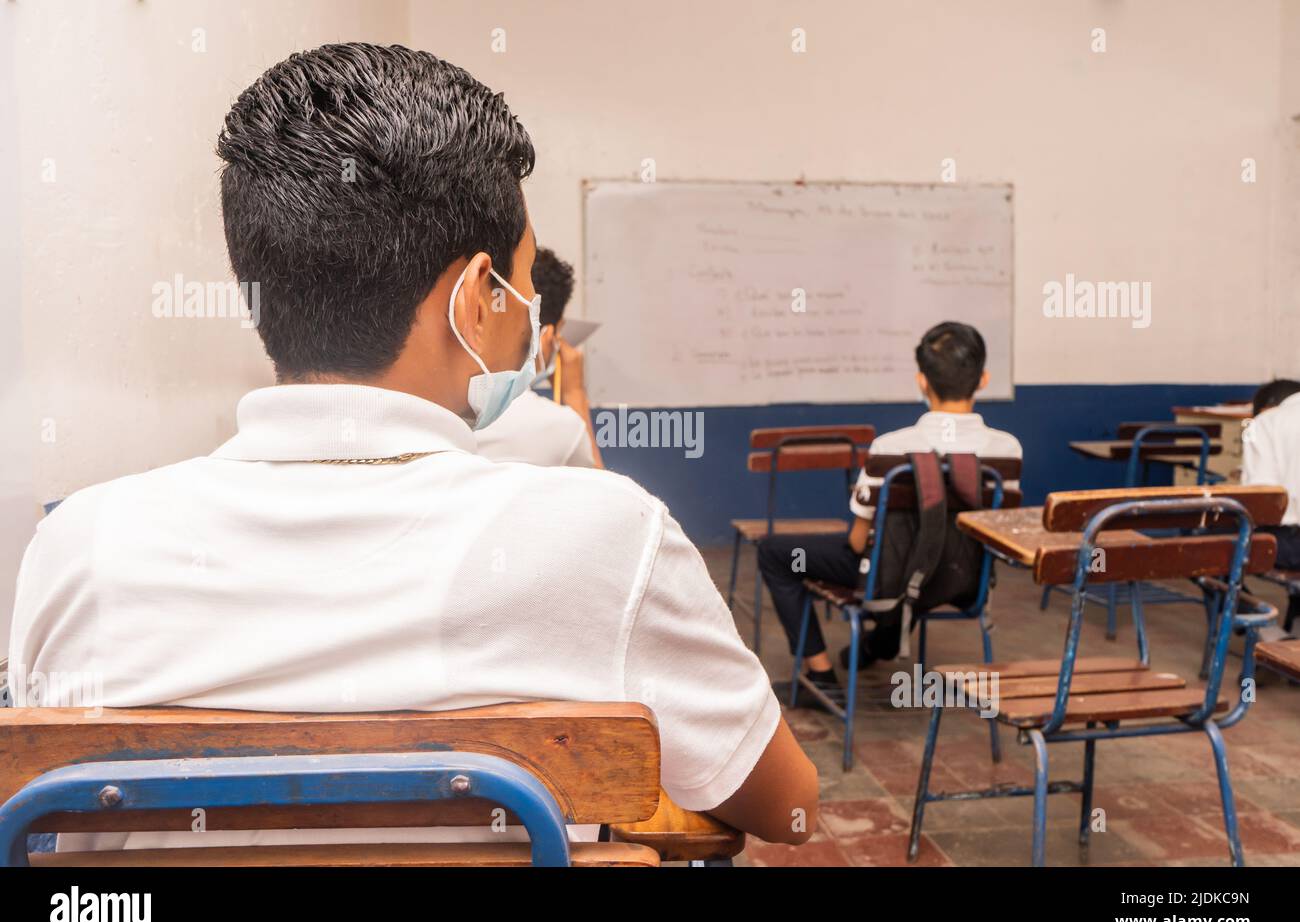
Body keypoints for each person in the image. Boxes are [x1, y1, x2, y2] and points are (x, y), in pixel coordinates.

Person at [8, 43, 816, 850]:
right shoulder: (609, 539)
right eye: (525, 284)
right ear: (474, 300)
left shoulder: (80, 549)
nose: (532, 310)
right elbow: (787, 808)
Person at [759, 322, 1022, 705]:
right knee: (913, 561)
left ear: (921, 381)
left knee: (775, 553)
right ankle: (873, 646)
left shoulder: (892, 448)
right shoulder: (1008, 450)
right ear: (982, 379)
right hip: (966, 579)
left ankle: (821, 675)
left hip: (894, 577)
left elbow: (856, 539)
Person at [475, 248, 603, 467]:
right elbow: (605, 494)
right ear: (548, 337)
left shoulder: (456, 411)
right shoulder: (561, 427)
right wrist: (575, 394)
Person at [1242, 378, 1300, 629]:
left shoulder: (1267, 423)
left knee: (1201, 543)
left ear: (1269, 406)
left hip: (1292, 544)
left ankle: (1262, 630)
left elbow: (1261, 502)